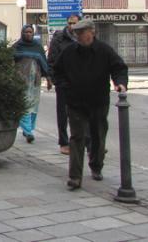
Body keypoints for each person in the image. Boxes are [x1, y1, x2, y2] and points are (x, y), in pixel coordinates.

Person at [52, 19, 128, 190]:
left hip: (98, 102)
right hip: (76, 102)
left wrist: (120, 83)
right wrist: (64, 86)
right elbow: (57, 71)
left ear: (92, 32)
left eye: (82, 33)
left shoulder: (104, 50)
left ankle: (96, 166)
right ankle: (75, 177)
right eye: (76, 33)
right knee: (77, 138)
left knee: (98, 136)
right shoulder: (69, 52)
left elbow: (119, 68)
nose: (79, 36)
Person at [12, 25, 52, 143]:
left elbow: (44, 63)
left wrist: (49, 79)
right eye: (26, 32)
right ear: (22, 33)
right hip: (21, 79)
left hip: (35, 80)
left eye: (31, 32)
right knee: (24, 104)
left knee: (34, 105)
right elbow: (9, 60)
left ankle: (29, 128)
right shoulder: (17, 46)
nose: (28, 34)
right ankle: (28, 131)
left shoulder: (37, 46)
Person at [47, 14, 80, 155]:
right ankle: (64, 142)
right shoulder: (59, 38)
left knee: (82, 113)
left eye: (74, 23)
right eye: (70, 23)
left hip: (80, 82)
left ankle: (87, 142)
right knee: (63, 113)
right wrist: (55, 80)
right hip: (63, 82)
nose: (72, 26)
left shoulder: (82, 37)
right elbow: (52, 60)